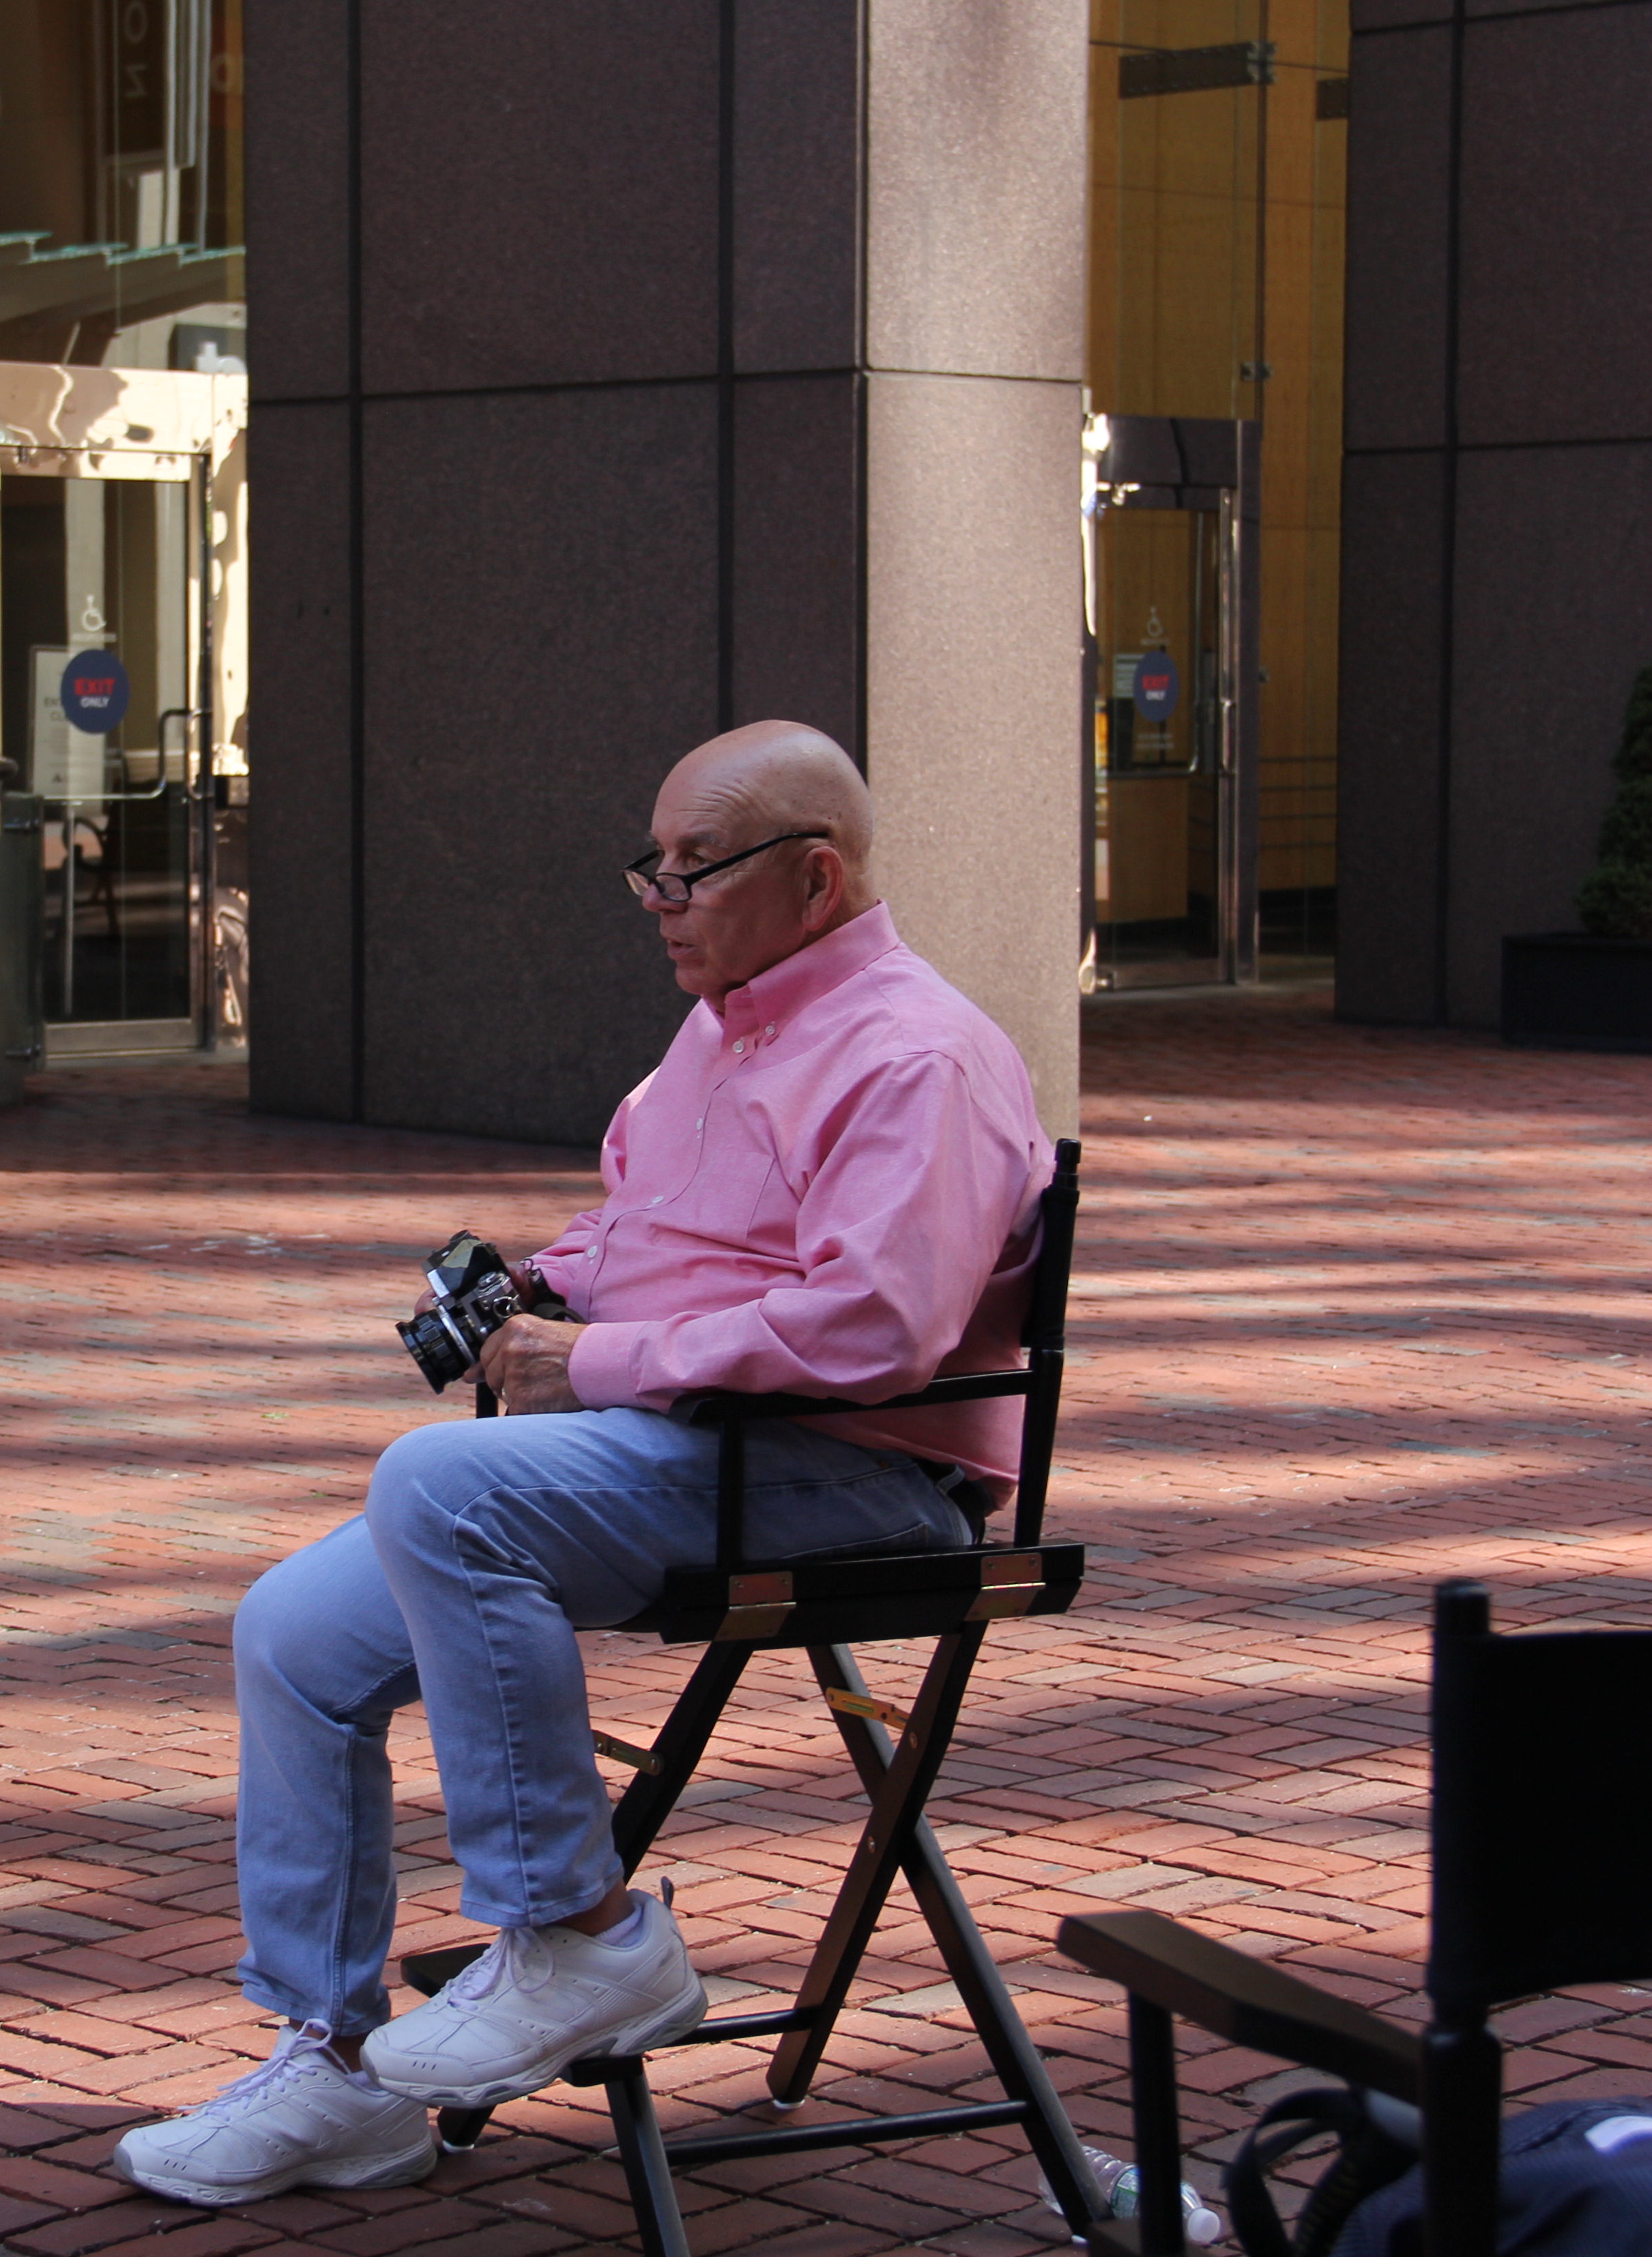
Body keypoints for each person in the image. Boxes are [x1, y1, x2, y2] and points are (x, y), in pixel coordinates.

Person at [110, 721, 1052, 2206]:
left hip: (857, 1479)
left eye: (695, 870)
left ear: (816, 879)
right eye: (652, 868)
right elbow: (656, 1237)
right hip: (690, 1453)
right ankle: (331, 2070)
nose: (660, 898)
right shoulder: (721, 1027)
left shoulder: (915, 1053)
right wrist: (549, 1287)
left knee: (439, 1485)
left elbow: (882, 1323)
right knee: (290, 1632)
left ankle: (580, 1933)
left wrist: (600, 1362)